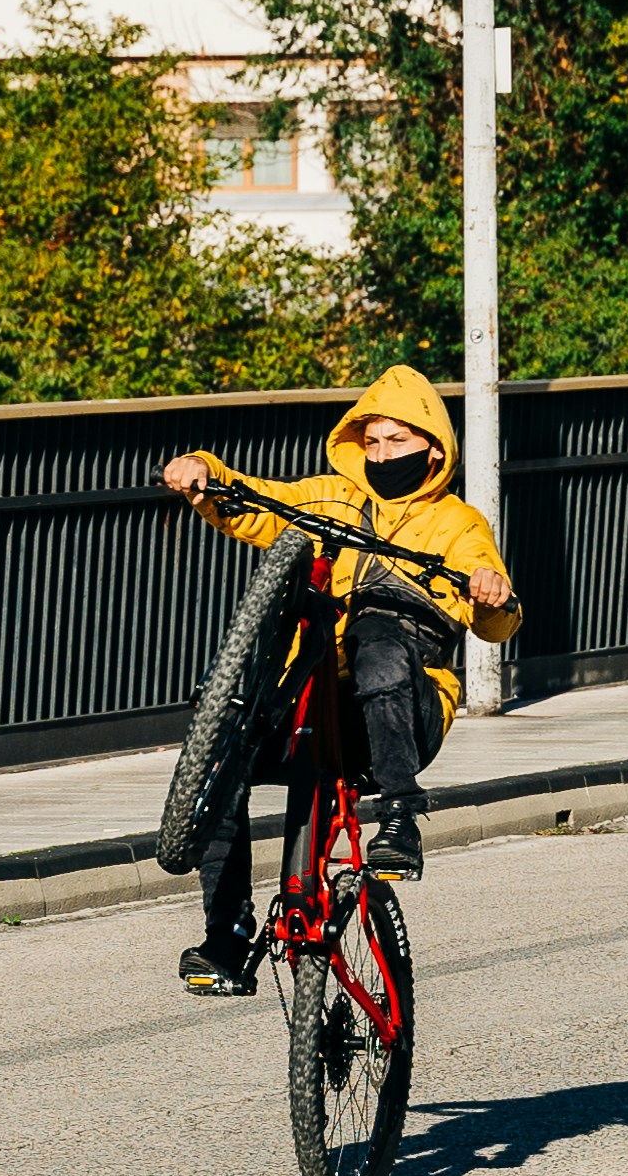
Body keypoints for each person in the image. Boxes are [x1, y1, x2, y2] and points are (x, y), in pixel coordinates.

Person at [160, 365, 520, 998]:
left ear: (434, 450)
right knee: (225, 760)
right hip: (315, 701)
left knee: (379, 636)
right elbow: (256, 501)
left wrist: (491, 591)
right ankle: (228, 936)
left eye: (397, 444)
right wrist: (203, 472)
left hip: (401, 715)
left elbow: (493, 610)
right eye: (373, 442)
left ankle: (401, 814)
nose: (382, 455)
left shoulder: (457, 523)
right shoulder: (330, 498)